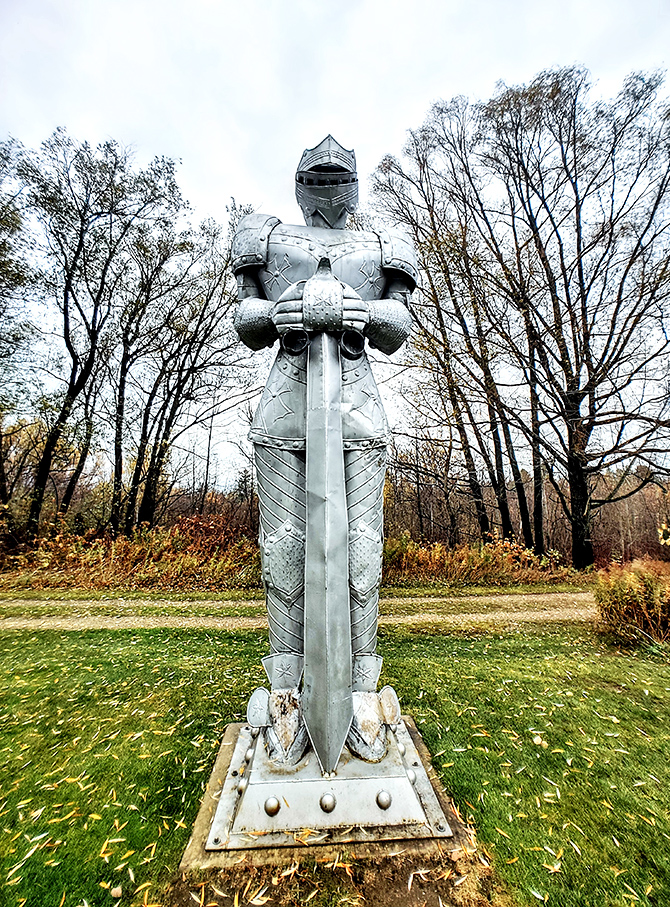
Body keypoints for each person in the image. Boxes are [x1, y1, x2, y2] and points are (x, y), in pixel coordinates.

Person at [232, 136, 416, 765]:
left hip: (358, 407)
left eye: (341, 174)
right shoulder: (266, 237)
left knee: (362, 551)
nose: (330, 179)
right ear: (298, 178)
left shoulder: (382, 243)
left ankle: (361, 691)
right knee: (282, 551)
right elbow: (246, 321)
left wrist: (359, 312)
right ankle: (286, 693)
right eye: (319, 173)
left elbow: (400, 328)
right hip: (286, 404)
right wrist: (279, 313)